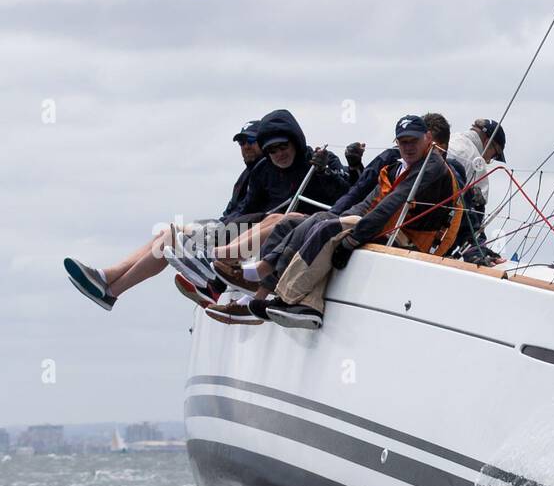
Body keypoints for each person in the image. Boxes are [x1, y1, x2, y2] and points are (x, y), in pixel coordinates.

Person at [214, 114, 460, 329]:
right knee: (309, 220)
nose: (408, 147)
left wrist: (353, 239)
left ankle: (285, 296)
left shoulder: (431, 166)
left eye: (413, 141)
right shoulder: (398, 166)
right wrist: (338, 216)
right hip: (380, 226)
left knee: (327, 228)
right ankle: (286, 291)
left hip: (404, 238)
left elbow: (390, 205)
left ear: (428, 138)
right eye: (403, 141)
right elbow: (369, 201)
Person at [63, 117, 276, 311]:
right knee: (165, 232)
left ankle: (110, 288)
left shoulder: (266, 170)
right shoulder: (247, 174)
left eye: (250, 140)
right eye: (241, 142)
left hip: (239, 233)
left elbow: (254, 212)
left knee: (170, 236)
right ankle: (107, 282)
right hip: (228, 227)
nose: (246, 146)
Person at [446, 118, 507, 265]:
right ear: (487, 142)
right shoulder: (476, 162)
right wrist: (478, 249)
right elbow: (475, 212)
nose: (488, 161)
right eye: (495, 155)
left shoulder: (450, 139)